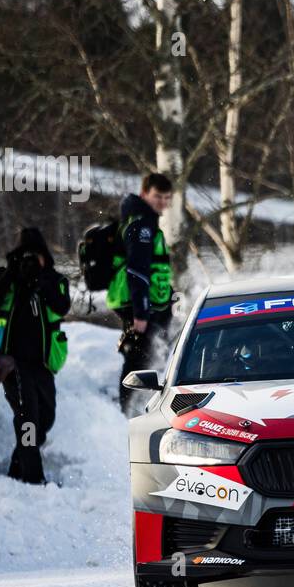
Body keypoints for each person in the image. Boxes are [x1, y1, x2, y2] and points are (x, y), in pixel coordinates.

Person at [0, 228, 71, 484]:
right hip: (9, 363)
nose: (30, 261)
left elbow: (63, 306)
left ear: (44, 257)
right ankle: (33, 478)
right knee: (27, 418)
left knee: (45, 418)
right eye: (25, 256)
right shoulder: (6, 277)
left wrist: (42, 281)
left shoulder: (53, 279)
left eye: (35, 256)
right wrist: (11, 273)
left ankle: (16, 468)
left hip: (41, 363)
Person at [107, 172, 174, 413]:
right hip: (139, 305)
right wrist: (141, 312)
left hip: (151, 303)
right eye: (158, 196)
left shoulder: (147, 221)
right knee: (139, 359)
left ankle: (138, 406)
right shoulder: (141, 225)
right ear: (145, 194)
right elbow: (137, 270)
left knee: (148, 355)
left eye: (167, 197)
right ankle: (128, 411)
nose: (163, 202)